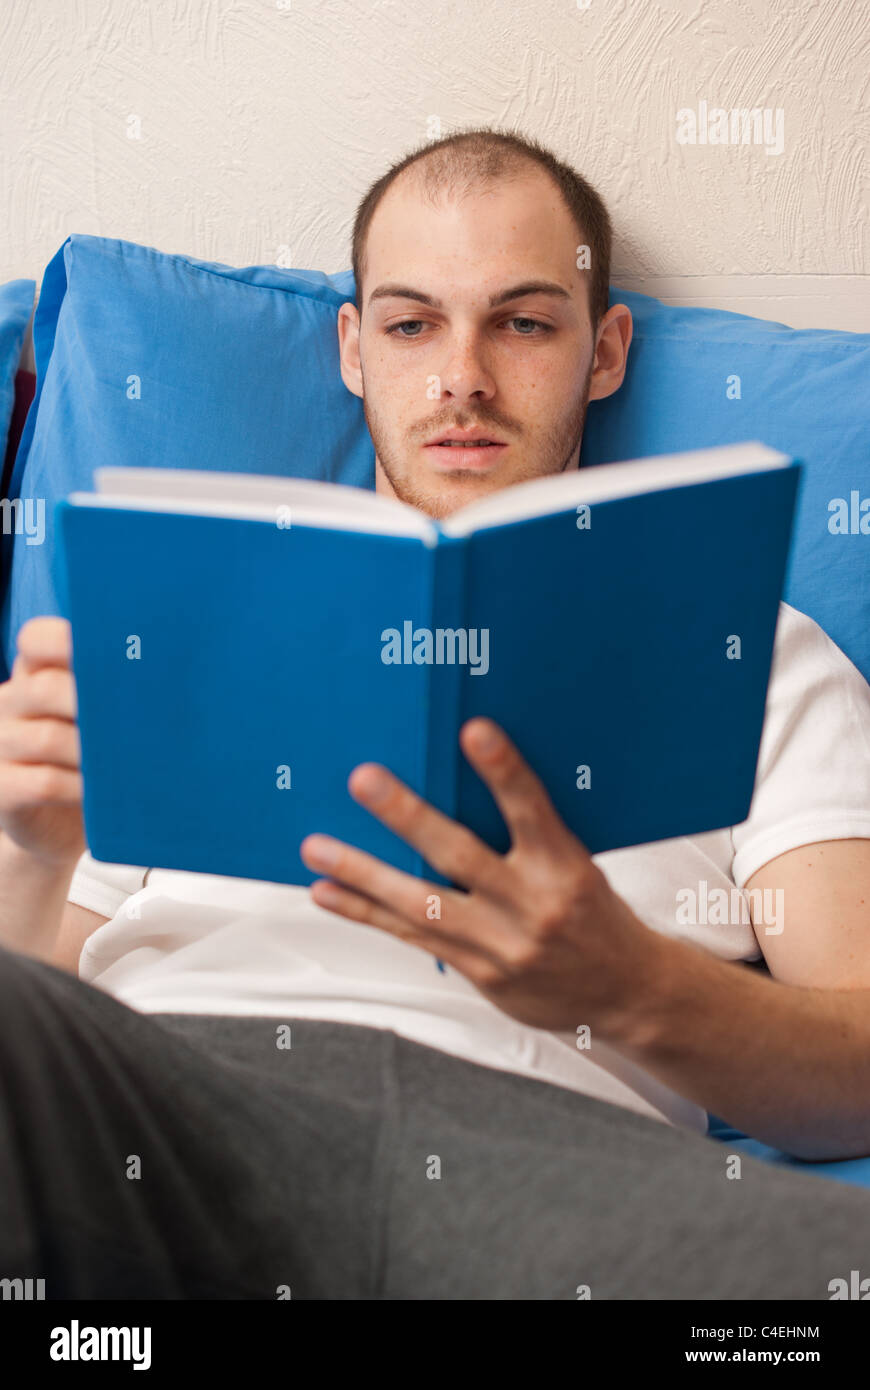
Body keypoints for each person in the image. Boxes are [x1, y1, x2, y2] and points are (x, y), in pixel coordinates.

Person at [2, 128, 870, 1301]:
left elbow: (858, 1065)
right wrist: (28, 849)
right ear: (354, 351)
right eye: (413, 324)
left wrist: (631, 988)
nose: (461, 376)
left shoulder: (755, 647)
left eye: (522, 321)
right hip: (166, 1108)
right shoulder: (189, 609)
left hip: (550, 1165)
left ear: (604, 349)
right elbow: (32, 1000)